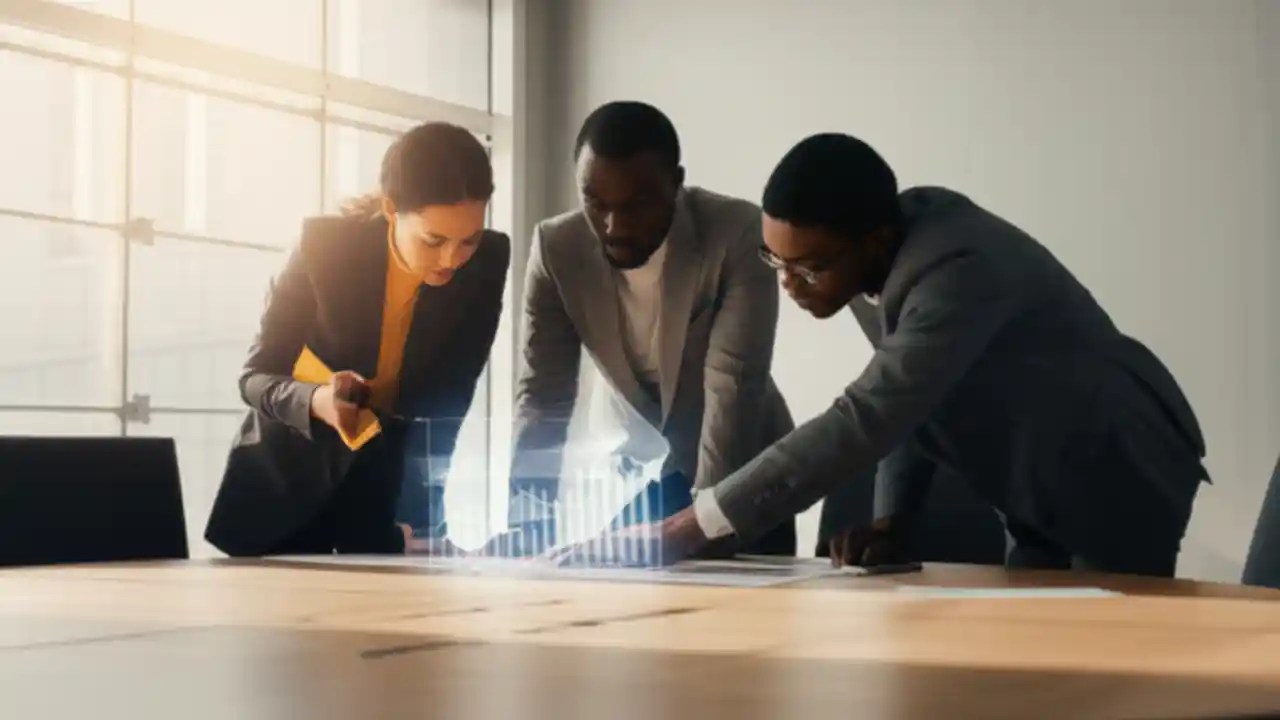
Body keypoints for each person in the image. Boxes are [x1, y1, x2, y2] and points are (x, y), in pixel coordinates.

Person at [555, 132, 1209, 578]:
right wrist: (896, 520)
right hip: (1030, 478)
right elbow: (913, 407)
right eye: (776, 261)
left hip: (1115, 461)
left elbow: (869, 414)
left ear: (876, 240)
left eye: (809, 268)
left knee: (1111, 669)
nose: (790, 285)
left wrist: (685, 530)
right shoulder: (881, 259)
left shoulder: (957, 268)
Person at [499, 101, 796, 556]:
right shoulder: (556, 248)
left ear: (676, 184)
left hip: (741, 471)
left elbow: (732, 386)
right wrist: (527, 521)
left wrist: (704, 527)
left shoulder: (735, 233)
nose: (614, 227)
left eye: (637, 205)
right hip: (644, 471)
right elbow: (542, 396)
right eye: (595, 204)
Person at [205, 122, 510, 557]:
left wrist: (422, 516)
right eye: (434, 239)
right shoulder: (325, 249)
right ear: (391, 209)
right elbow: (254, 377)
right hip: (289, 489)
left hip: (384, 502)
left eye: (469, 239)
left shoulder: (486, 263)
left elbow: (449, 401)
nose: (452, 260)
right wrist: (316, 403)